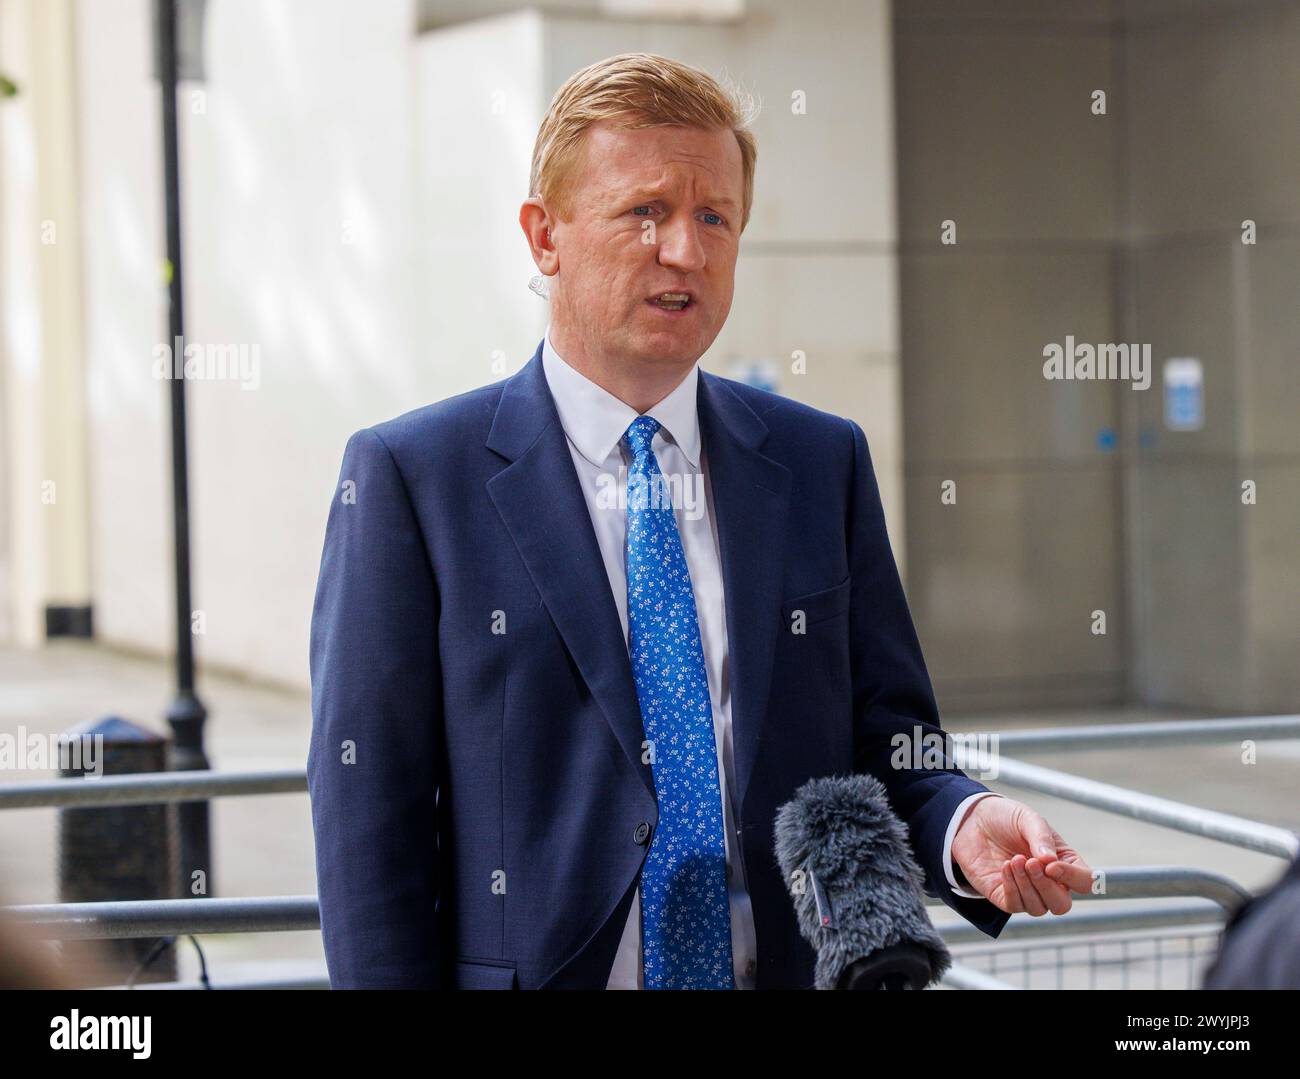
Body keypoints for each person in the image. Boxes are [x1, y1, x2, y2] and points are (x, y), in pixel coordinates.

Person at [306, 51, 1093, 990]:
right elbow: (370, 822)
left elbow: (889, 747)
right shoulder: (412, 477)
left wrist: (965, 824)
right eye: (647, 212)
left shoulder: (817, 461)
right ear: (544, 235)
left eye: (714, 216)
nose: (686, 249)